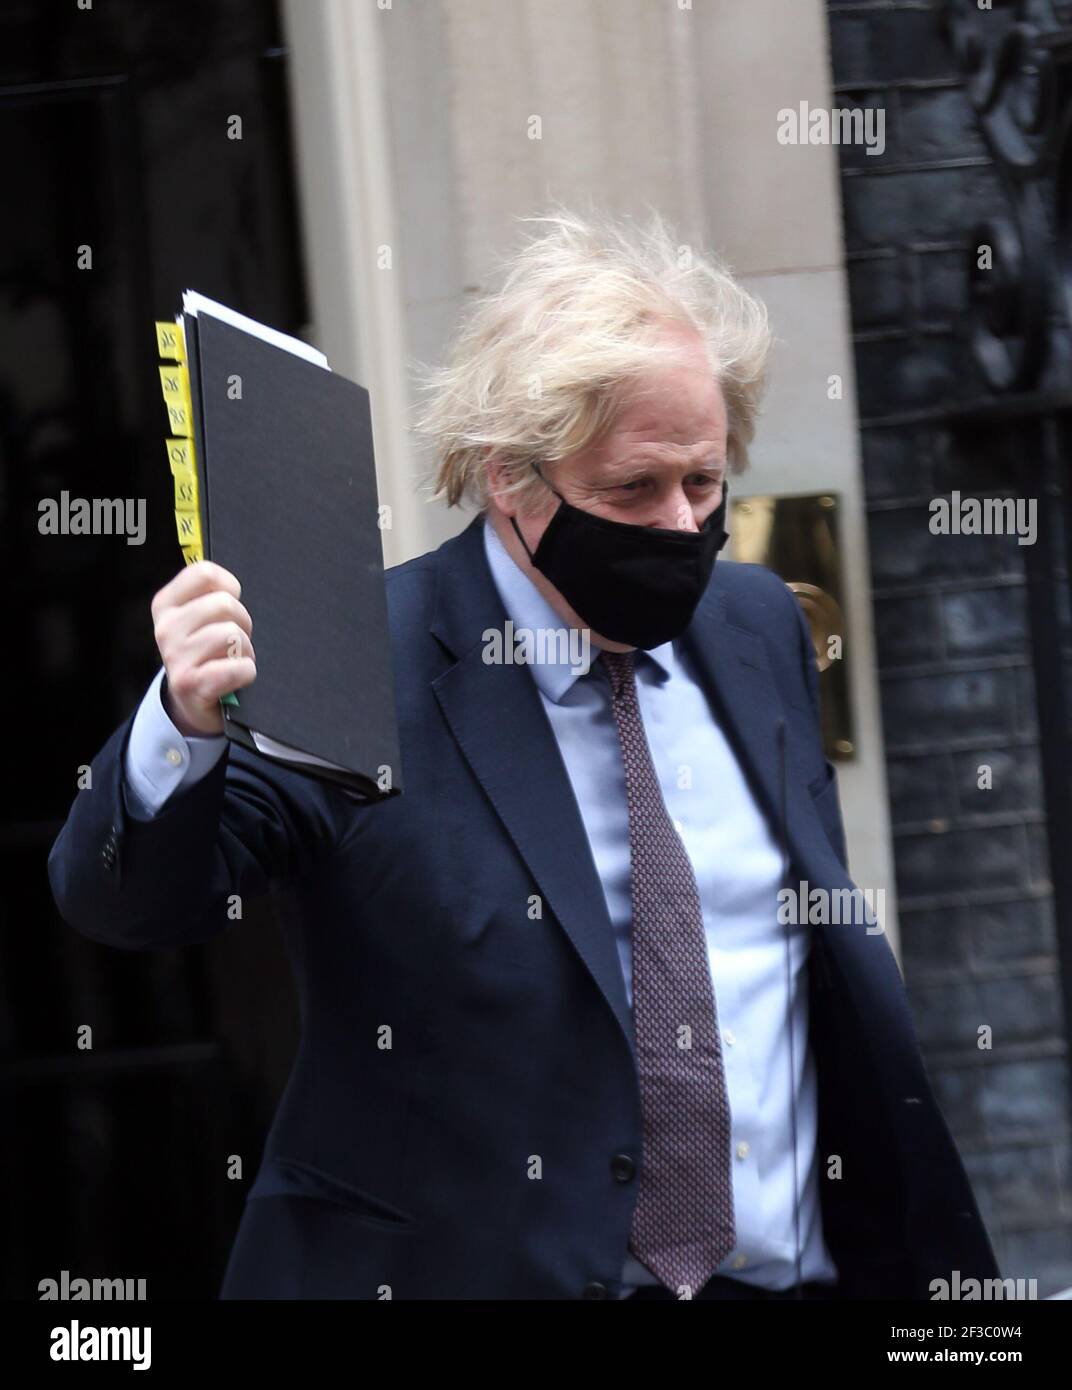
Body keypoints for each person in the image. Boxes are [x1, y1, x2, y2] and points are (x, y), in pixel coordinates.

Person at [48, 208, 999, 1300]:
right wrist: (183, 718)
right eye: (631, 490)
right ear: (511, 478)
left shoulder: (755, 625)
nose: (682, 526)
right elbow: (124, 904)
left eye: (703, 481)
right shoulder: (354, 650)